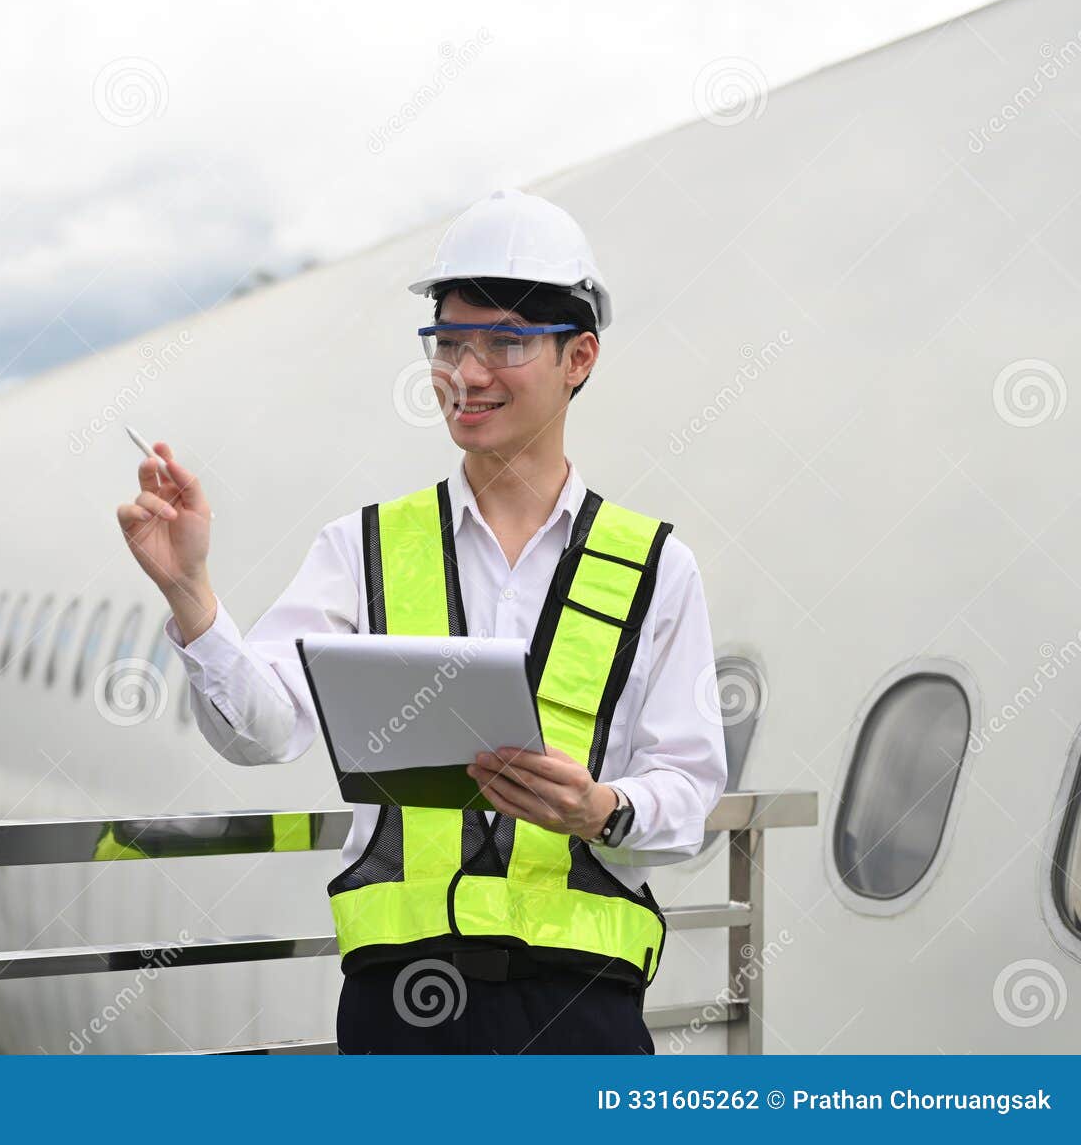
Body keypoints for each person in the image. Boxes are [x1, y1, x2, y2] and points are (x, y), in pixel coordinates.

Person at [115, 188, 727, 1054]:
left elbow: (690, 787)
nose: (467, 375)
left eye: (507, 343)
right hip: (399, 1013)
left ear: (579, 357)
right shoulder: (361, 548)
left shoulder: (657, 566)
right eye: (449, 344)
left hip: (584, 1017)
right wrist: (191, 595)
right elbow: (262, 733)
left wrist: (603, 809)